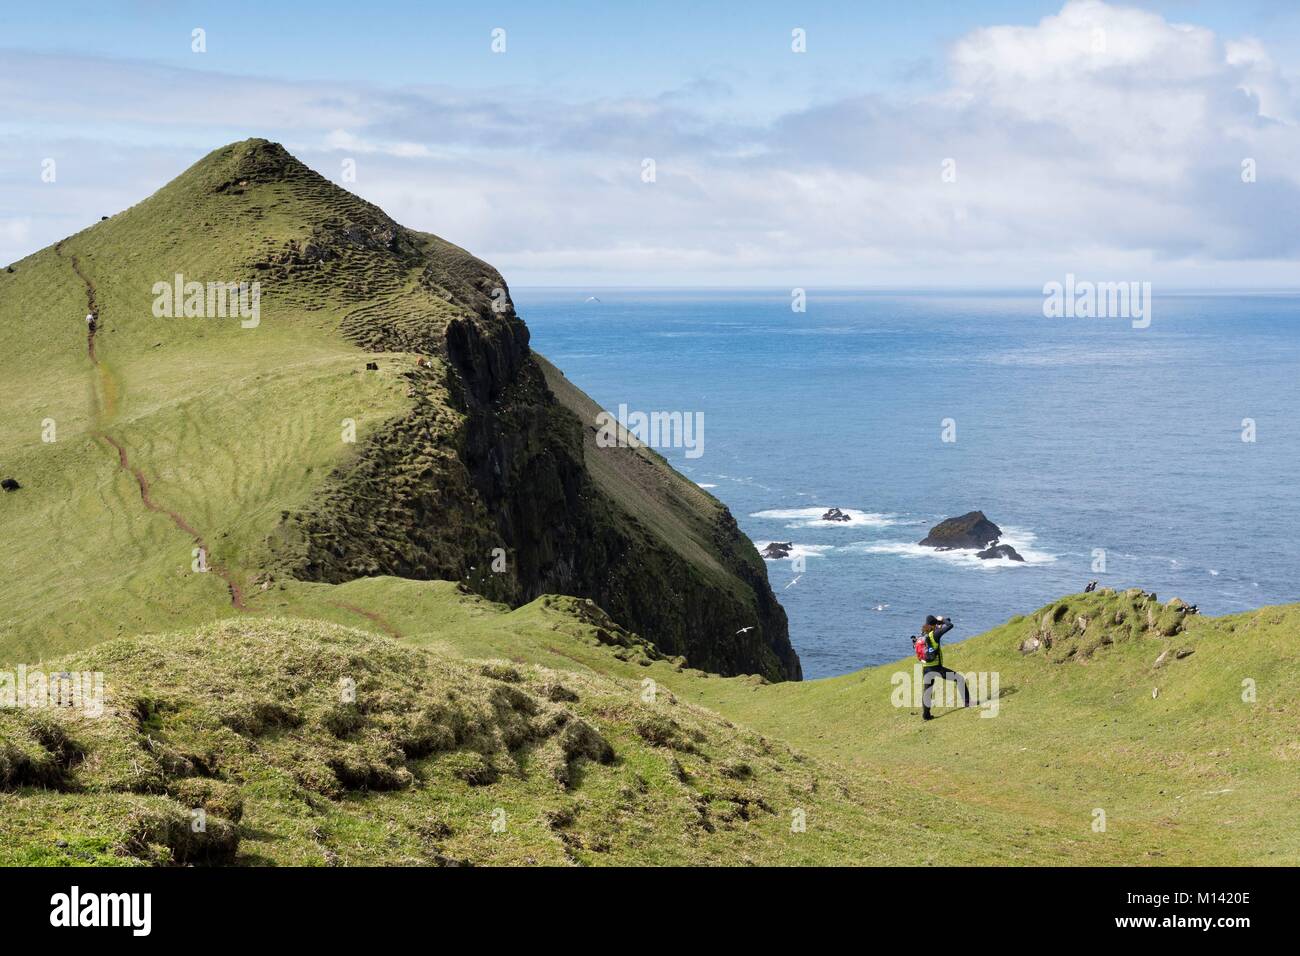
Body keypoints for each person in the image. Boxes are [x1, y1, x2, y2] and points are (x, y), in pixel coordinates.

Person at [920, 614, 969, 720]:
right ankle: (967, 702)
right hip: (936, 668)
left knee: (927, 691)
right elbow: (950, 625)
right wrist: (943, 620)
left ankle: (926, 715)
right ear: (934, 624)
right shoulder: (935, 634)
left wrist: (939, 623)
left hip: (925, 667)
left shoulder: (923, 633)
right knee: (959, 679)